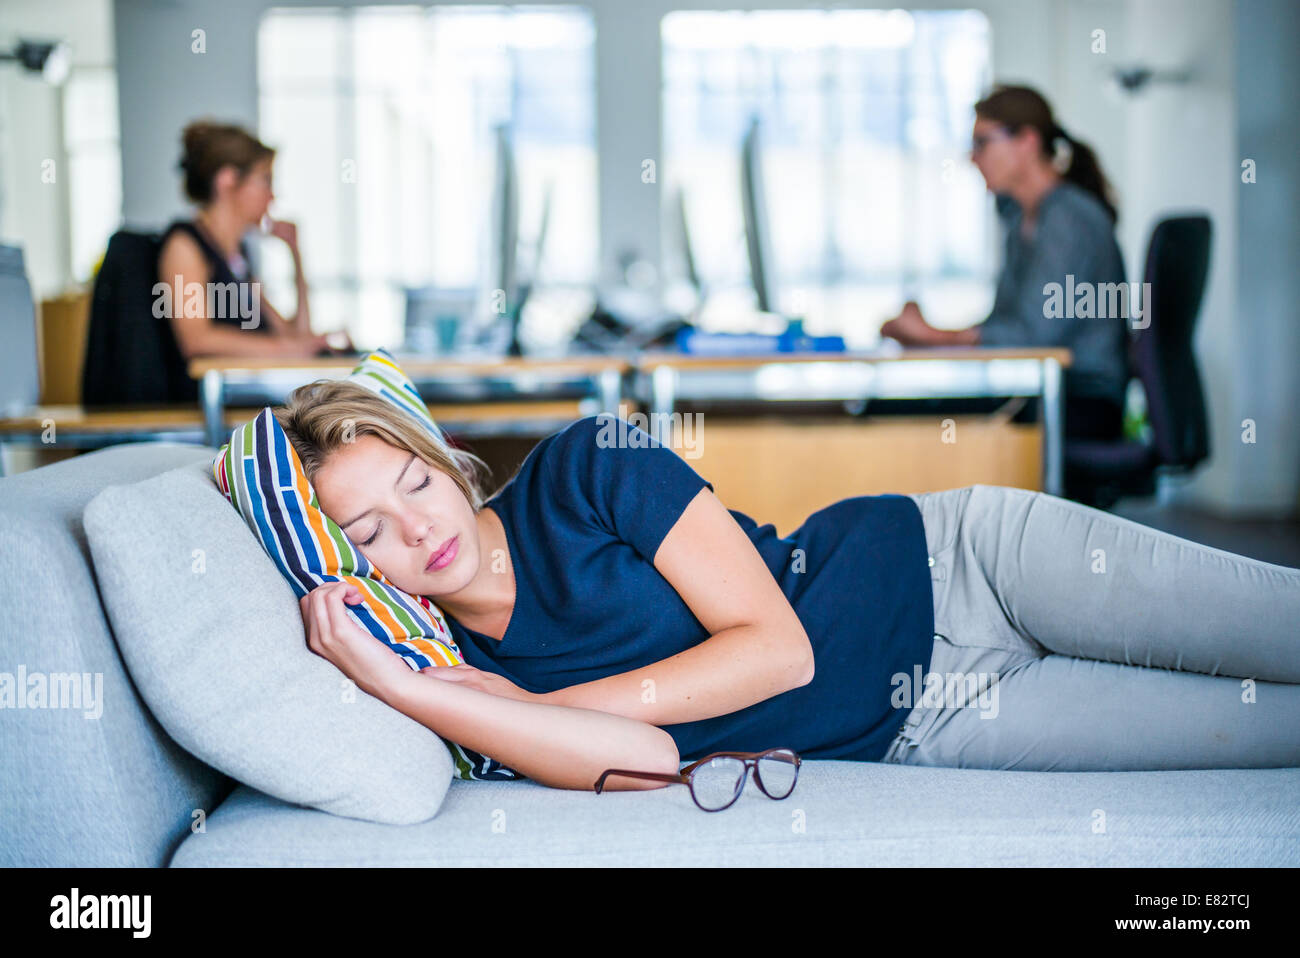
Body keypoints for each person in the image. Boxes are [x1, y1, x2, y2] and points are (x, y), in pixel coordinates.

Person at [281, 396, 1300, 791]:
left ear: (451, 465)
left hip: (963, 561)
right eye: (369, 531)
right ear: (350, 562)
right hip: (921, 723)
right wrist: (416, 690)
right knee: (1273, 734)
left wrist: (541, 713)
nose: (417, 529)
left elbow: (777, 652)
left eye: (416, 483)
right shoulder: (471, 676)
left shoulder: (589, 460)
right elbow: (643, 760)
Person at [879, 85, 1131, 441]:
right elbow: (1005, 325)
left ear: (1026, 141)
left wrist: (936, 336)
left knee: (902, 420)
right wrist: (933, 337)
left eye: (982, 142)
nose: (972, 158)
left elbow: (1035, 336)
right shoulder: (1021, 218)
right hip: (1046, 392)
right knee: (894, 410)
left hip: (1081, 400)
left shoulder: (1068, 218)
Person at [157, 119, 350, 361]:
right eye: (265, 180)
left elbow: (295, 335)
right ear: (227, 179)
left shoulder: (238, 258)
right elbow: (197, 340)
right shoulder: (184, 246)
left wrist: (296, 255)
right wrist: (291, 348)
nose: (272, 196)